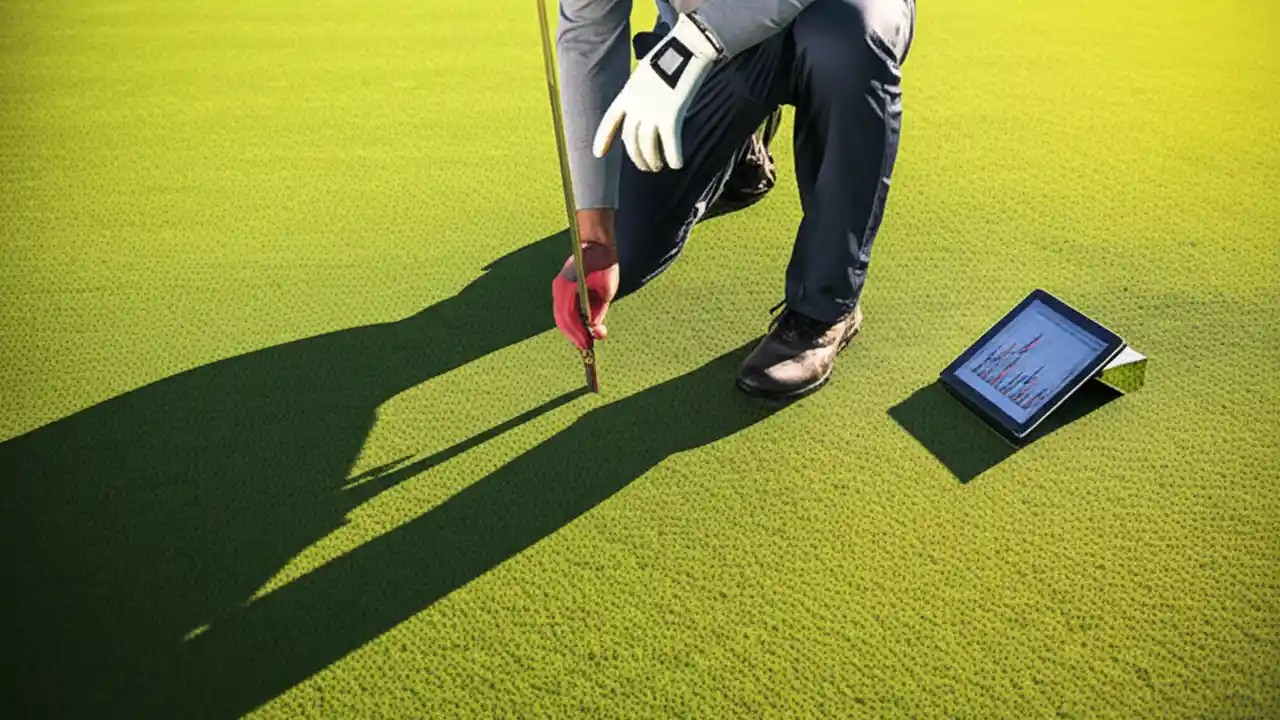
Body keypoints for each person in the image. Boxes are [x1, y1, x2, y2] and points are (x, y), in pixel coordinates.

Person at [551, 0, 916, 399]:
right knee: (629, 250)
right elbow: (588, 35)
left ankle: (825, 308)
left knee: (843, 43)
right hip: (705, 42)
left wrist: (695, 43)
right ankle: (741, 144)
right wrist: (595, 237)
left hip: (841, 15)